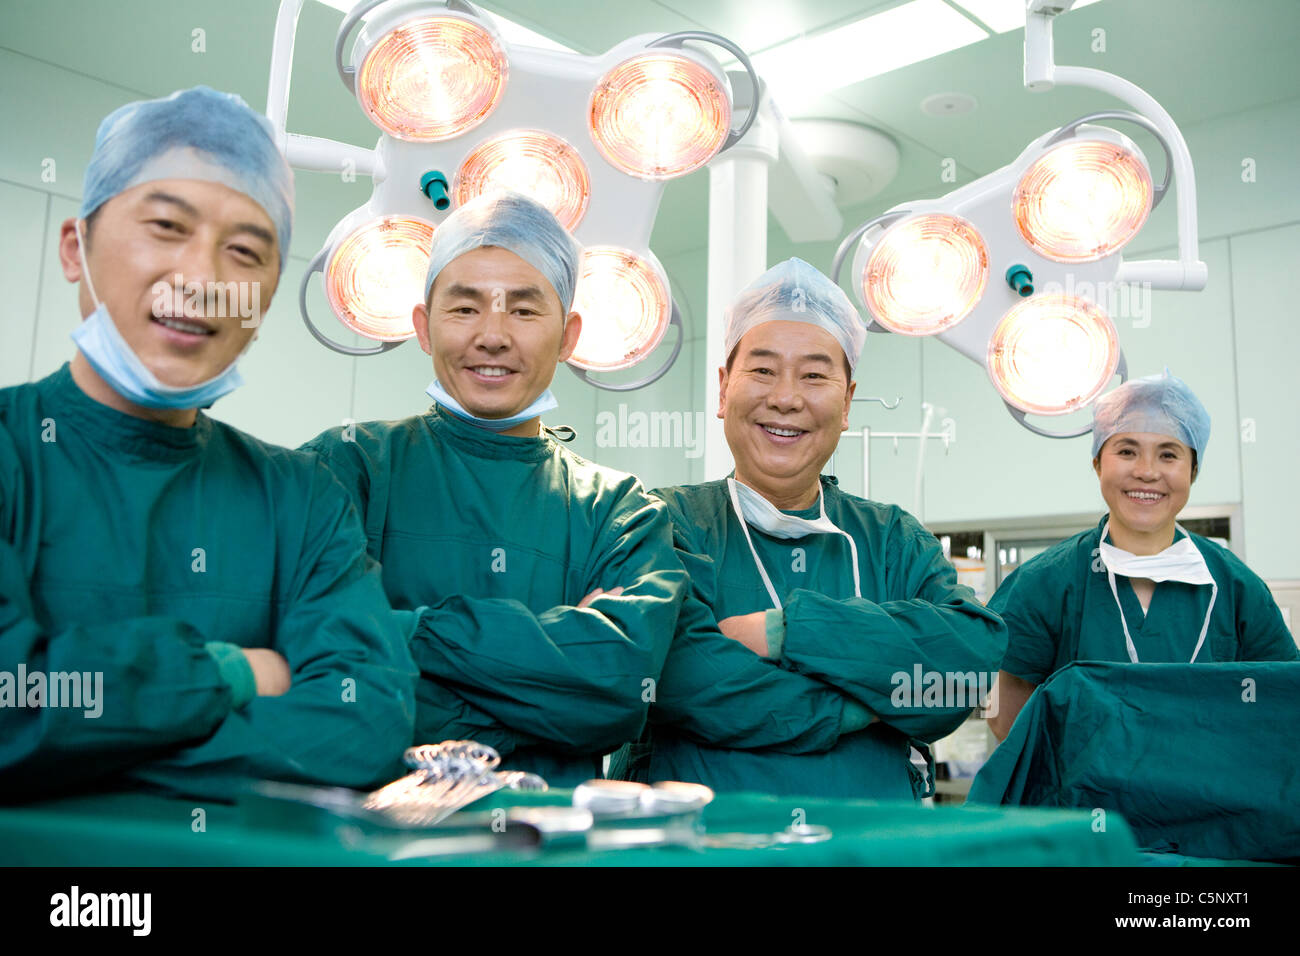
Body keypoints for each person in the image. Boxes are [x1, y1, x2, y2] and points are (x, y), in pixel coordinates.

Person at [0, 86, 417, 802]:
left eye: (245, 252)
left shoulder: (302, 498)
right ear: (77, 248)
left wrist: (73, 757)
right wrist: (229, 672)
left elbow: (366, 723)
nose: (202, 280)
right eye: (166, 226)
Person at [303, 191, 684, 786]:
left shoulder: (619, 511)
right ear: (424, 328)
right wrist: (545, 689)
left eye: (525, 311)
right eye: (464, 309)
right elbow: (309, 662)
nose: (493, 336)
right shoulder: (348, 467)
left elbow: (614, 690)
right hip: (371, 840)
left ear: (569, 336)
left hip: (547, 844)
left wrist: (403, 632)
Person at [621, 258, 1007, 799]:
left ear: (847, 402)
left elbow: (963, 670)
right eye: (762, 370)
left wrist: (784, 632)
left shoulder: (892, 540)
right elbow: (682, 680)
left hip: (870, 854)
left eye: (814, 375)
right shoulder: (663, 523)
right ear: (723, 388)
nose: (786, 397)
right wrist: (866, 702)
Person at [988, 371, 1298, 740]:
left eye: (1169, 454)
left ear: (1193, 471)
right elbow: (1004, 709)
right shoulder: (1045, 582)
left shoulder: (1236, 588)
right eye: (1126, 451)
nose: (1147, 472)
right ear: (1098, 463)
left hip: (1206, 797)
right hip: (1077, 798)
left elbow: (1281, 699)